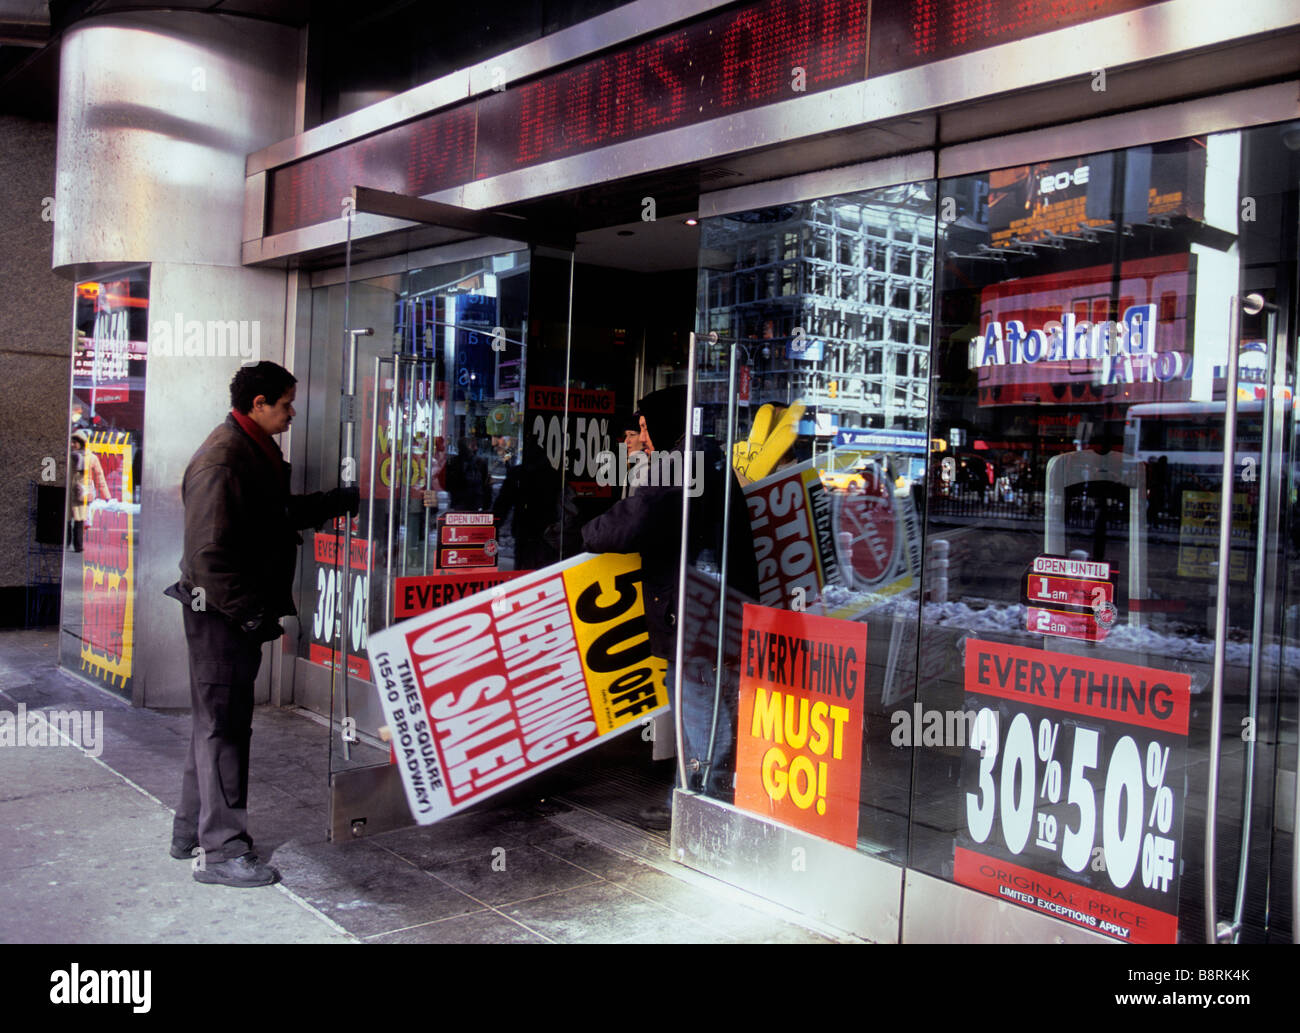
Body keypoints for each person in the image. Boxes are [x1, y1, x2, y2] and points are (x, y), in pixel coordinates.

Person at [166, 361, 357, 887]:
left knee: (215, 724)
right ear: (258, 403)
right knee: (224, 729)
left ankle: (190, 832)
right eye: (286, 403)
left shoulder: (253, 449)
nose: (292, 413)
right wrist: (251, 616)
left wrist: (336, 502)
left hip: (231, 612)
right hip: (222, 615)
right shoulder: (224, 459)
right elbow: (208, 556)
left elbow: (271, 515)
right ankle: (224, 851)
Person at [581, 386, 758, 828]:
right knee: (705, 703)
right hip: (713, 604)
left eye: (643, 426)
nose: (640, 437)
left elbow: (636, 520)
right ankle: (698, 792)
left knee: (698, 705)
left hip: (699, 611)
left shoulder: (683, 462)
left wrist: (584, 533)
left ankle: (701, 801)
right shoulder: (705, 457)